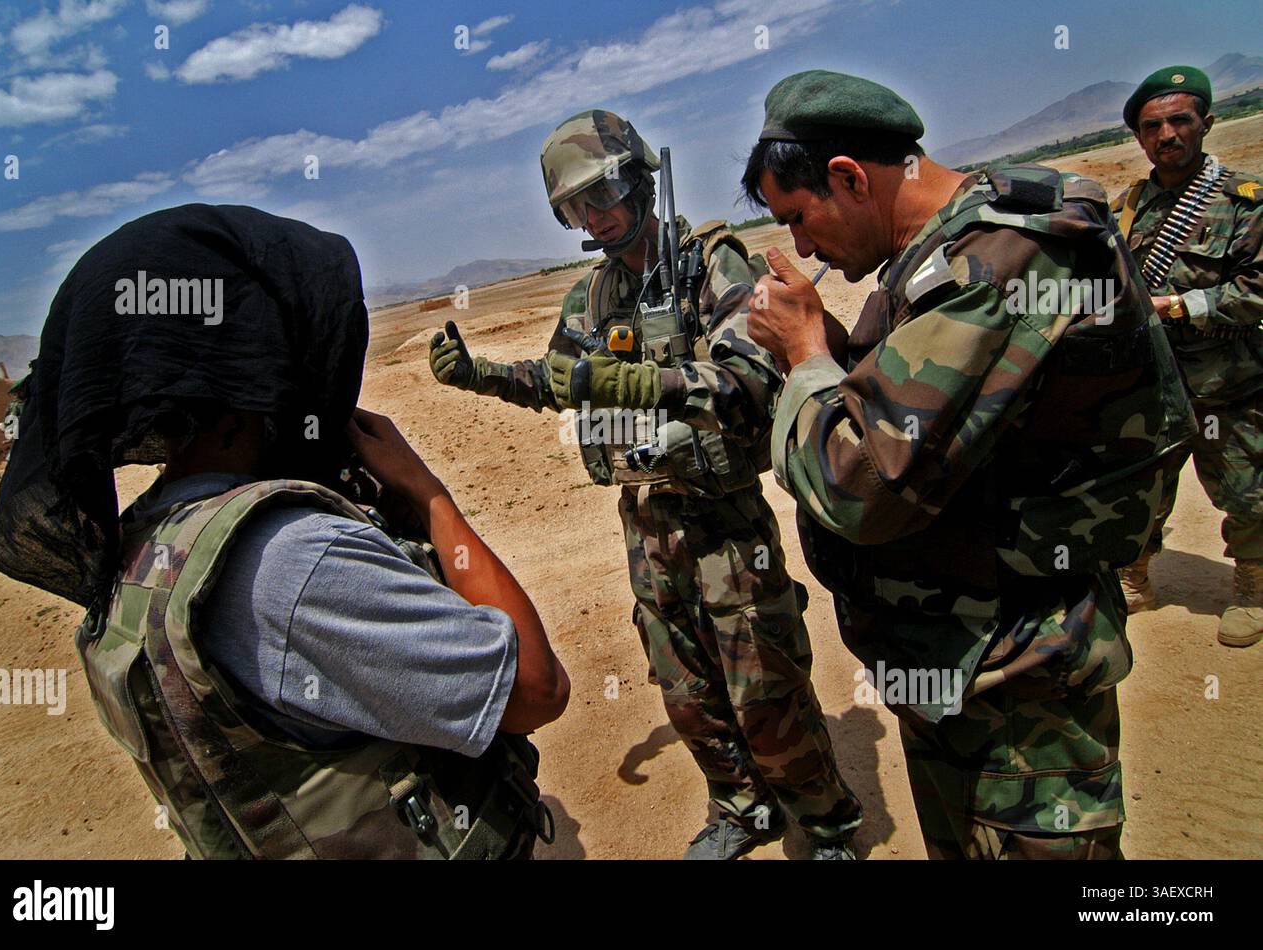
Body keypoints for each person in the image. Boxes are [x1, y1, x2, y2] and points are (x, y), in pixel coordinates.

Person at [0, 203, 568, 859]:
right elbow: (535, 691)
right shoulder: (289, 558)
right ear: (255, 375)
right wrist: (431, 497)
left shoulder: (142, 549)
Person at [742, 70, 1193, 859]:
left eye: (799, 219)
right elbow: (936, 410)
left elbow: (860, 484)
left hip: (1020, 691)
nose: (805, 247)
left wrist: (808, 355)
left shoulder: (1001, 257)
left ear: (848, 177)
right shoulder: (941, 255)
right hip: (959, 671)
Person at [429, 109, 861, 859]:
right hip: (649, 521)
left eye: (602, 197)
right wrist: (484, 375)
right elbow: (560, 378)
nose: (594, 220)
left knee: (764, 685)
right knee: (685, 685)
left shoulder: (711, 263)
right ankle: (741, 807)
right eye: (575, 209)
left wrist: (636, 381)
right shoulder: (592, 298)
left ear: (639, 182)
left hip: (723, 517)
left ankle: (827, 824)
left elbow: (751, 379)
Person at [1110, 65, 1263, 648]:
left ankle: (1251, 588)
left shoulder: (1244, 200)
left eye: (1180, 120)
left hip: (1232, 382)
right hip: (1157, 384)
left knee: (1246, 492)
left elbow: (1256, 292)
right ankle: (1136, 577)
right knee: (1141, 487)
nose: (1167, 135)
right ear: (1139, 138)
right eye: (1153, 126)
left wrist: (1178, 305)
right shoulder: (1128, 208)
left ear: (1206, 123)